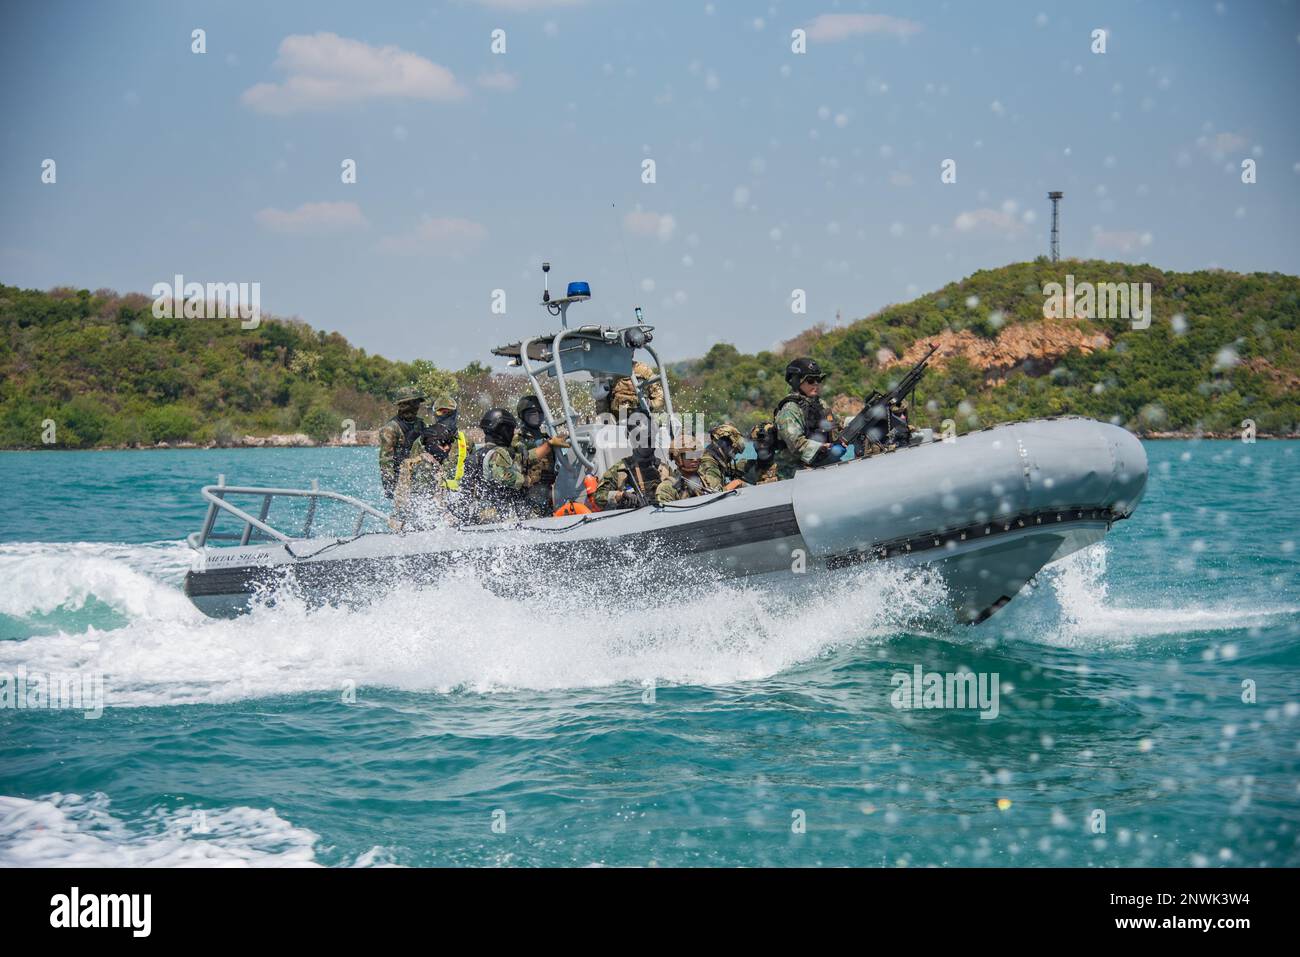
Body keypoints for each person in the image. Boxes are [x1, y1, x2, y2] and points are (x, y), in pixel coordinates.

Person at [453, 408, 529, 524]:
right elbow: (504, 477)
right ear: (502, 430)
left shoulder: (478, 453)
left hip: (480, 512)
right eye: (510, 430)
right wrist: (527, 480)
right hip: (496, 516)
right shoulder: (496, 454)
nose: (512, 433)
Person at [774, 357, 846, 475]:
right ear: (797, 381)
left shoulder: (820, 404)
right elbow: (796, 444)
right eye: (811, 380)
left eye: (818, 379)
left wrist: (859, 420)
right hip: (793, 473)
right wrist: (821, 447)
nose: (816, 384)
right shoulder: (790, 409)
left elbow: (838, 422)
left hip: (819, 465)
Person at [593, 412, 672, 509]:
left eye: (649, 439)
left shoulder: (665, 469)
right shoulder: (621, 469)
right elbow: (598, 496)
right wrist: (620, 495)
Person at [511, 395, 570, 515]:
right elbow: (519, 460)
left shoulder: (548, 438)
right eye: (533, 414)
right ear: (522, 415)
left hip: (548, 493)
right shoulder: (518, 440)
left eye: (540, 413)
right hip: (527, 494)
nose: (537, 417)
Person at [391, 423, 455, 531]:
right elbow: (421, 503)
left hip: (423, 522)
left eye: (449, 443)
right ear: (431, 443)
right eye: (443, 443)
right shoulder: (424, 467)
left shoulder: (436, 463)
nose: (447, 447)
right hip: (416, 526)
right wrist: (446, 517)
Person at [378, 386, 427, 499]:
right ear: (402, 405)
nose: (415, 407)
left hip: (420, 478)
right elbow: (386, 460)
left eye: (416, 403)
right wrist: (390, 486)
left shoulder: (420, 424)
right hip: (401, 480)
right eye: (410, 404)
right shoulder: (391, 429)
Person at [430, 394, 469, 491]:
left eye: (448, 413)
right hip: (432, 499)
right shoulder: (422, 441)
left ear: (455, 415)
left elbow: (473, 473)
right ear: (435, 415)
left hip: (459, 498)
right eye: (441, 412)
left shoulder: (466, 441)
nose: (445, 416)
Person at [655, 433, 706, 504]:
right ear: (678, 458)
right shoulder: (667, 488)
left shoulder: (706, 480)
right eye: (689, 455)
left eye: (697, 454)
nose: (695, 459)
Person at [698, 423, 749, 494]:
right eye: (734, 451)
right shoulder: (709, 464)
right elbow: (713, 495)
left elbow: (734, 468)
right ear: (725, 444)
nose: (733, 456)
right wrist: (735, 484)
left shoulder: (713, 459)